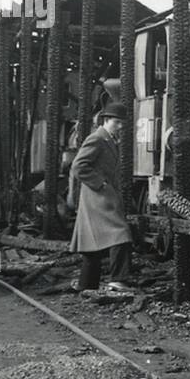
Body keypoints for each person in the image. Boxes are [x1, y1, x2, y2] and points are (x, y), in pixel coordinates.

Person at [69, 103, 134, 291]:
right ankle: (118, 280)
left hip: (98, 197)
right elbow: (78, 166)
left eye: (123, 123)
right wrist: (101, 184)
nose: (121, 127)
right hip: (98, 197)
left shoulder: (108, 139)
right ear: (106, 120)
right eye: (117, 122)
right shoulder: (97, 138)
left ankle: (87, 285)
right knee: (120, 233)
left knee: (93, 241)